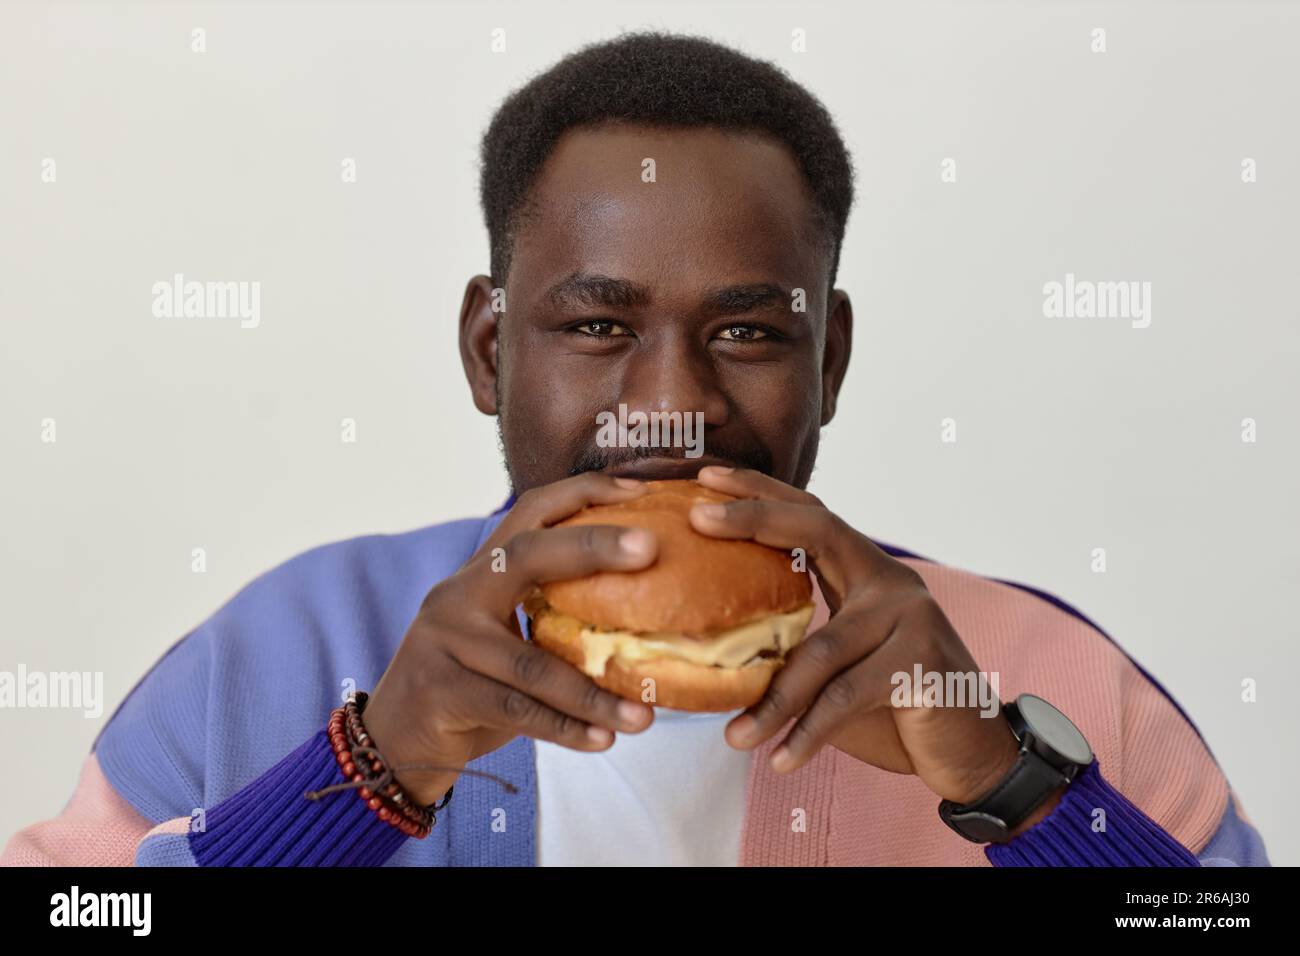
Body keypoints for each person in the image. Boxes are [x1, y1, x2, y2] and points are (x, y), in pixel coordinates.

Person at [2, 31, 1269, 867]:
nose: (671, 404)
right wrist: (369, 771)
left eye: (744, 332)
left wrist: (1016, 786)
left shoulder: (1038, 669)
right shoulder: (285, 648)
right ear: (487, 346)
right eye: (598, 324)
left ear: (827, 357)